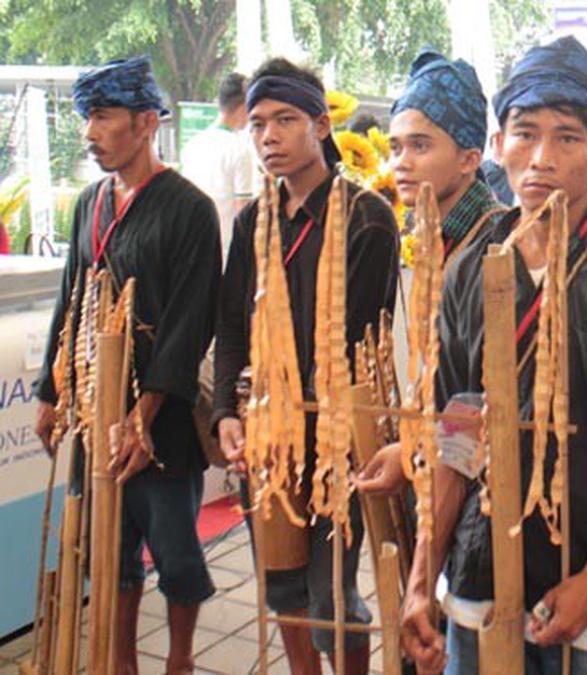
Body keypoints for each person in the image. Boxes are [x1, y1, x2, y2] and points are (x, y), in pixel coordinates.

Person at [358, 36, 587, 674]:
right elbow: (456, 429)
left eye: (569, 138)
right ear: (497, 146)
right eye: (525, 132)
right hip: (480, 571)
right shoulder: (472, 268)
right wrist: (420, 578)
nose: (542, 157)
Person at [34, 55, 221, 674]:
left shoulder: (189, 208)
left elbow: (189, 322)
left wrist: (144, 415)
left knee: (176, 553)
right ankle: (120, 662)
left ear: (146, 123)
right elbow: (70, 299)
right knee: (106, 551)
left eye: (104, 116)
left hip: (159, 423)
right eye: (87, 117)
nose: (90, 132)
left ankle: (180, 659)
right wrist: (49, 391)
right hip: (95, 414)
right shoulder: (89, 202)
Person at [211, 57, 399, 675]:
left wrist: (308, 413)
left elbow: (357, 340)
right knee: (281, 583)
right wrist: (225, 416)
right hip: (264, 433)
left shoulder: (366, 217)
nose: (269, 136)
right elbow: (231, 326)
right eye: (259, 123)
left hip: (332, 438)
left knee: (332, 594)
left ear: (321, 125)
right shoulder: (252, 222)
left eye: (286, 120)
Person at [388, 48, 503, 262]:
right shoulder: (419, 233)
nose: (401, 163)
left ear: (469, 160)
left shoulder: (501, 242)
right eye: (395, 148)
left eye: (420, 146)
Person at [180, 71, 257, 266]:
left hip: (191, 251)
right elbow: (243, 213)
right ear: (244, 107)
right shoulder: (240, 150)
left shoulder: (192, 145)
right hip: (226, 254)